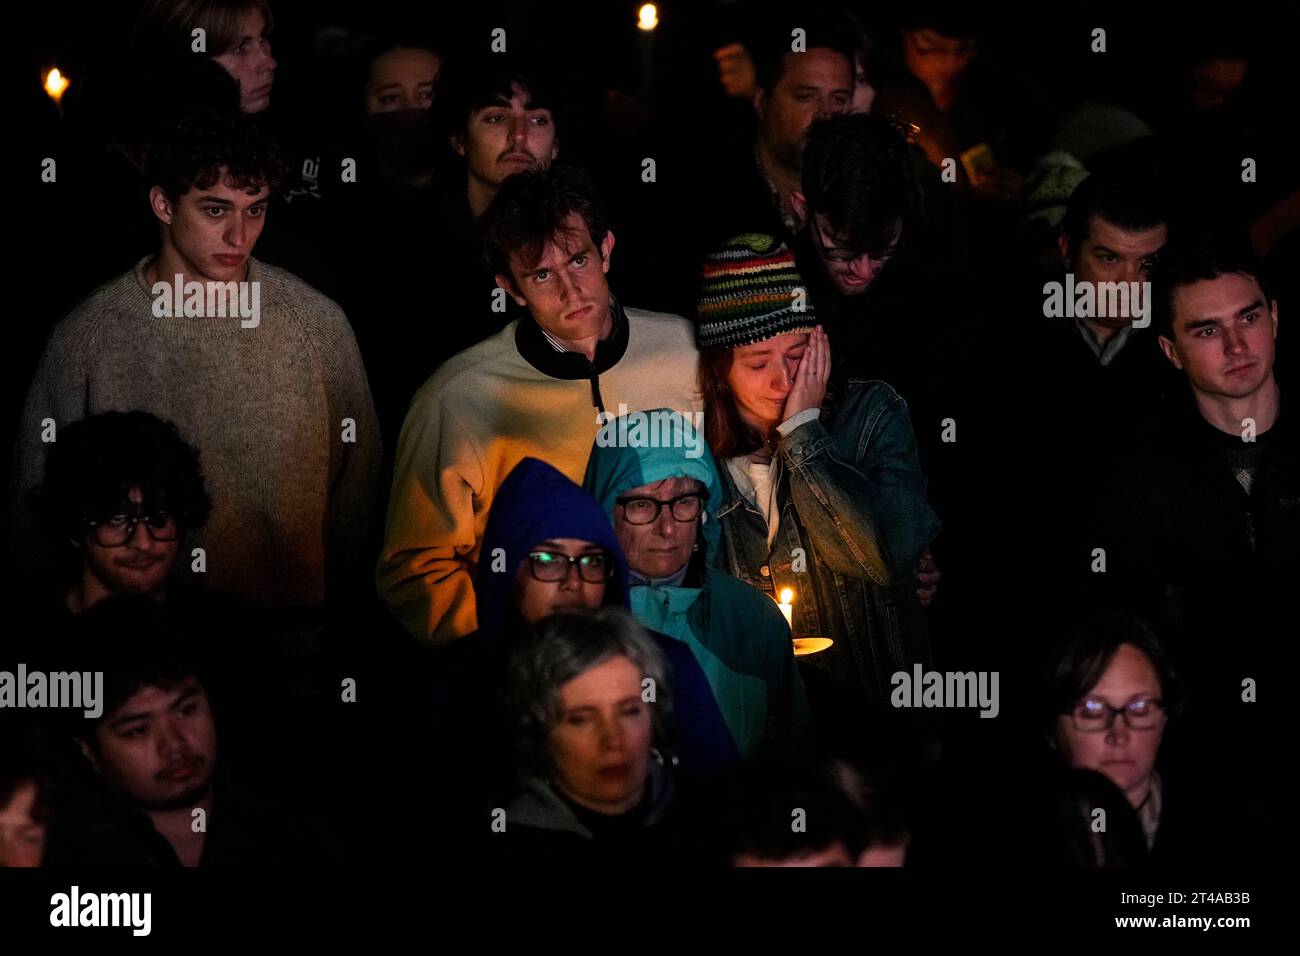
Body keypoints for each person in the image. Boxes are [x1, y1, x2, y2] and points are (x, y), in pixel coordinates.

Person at [9, 108, 383, 617]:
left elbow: (359, 497)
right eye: (215, 210)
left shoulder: (316, 325)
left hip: (292, 645)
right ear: (163, 204)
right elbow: (37, 504)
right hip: (138, 648)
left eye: (255, 210)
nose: (239, 235)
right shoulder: (88, 338)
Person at [378, 166, 701, 644]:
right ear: (510, 287)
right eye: (543, 275)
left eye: (578, 261)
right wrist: (523, 649)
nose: (571, 292)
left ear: (606, 249)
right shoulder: (459, 397)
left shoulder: (683, 348)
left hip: (692, 646)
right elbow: (414, 570)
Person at [696, 235, 942, 763]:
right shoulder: (698, 463)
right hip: (766, 752)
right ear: (721, 369)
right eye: (758, 362)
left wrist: (803, 431)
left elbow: (875, 558)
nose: (784, 380)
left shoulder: (873, 415)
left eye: (797, 354)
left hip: (885, 742)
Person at [410, 456, 738, 843]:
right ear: (508, 570)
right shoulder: (446, 686)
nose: (573, 582)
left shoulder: (667, 665)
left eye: (592, 561)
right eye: (547, 560)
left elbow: (730, 812)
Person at [583, 408, 810, 758]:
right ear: (604, 511)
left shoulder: (754, 620)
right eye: (643, 504)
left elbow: (794, 763)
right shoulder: (570, 626)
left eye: (684, 501)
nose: (668, 527)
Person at [44, 599, 330, 866]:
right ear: (89, 750)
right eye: (138, 730)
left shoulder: (291, 826)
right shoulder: (58, 852)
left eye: (186, 710)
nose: (174, 744)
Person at [492, 607, 682, 865]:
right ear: (538, 730)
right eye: (580, 720)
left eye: (629, 711)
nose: (613, 740)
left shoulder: (708, 832)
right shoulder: (508, 849)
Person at [30, 411, 213, 622]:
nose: (143, 544)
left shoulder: (229, 627)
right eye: (117, 519)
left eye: (158, 517)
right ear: (74, 528)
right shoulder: (25, 632)